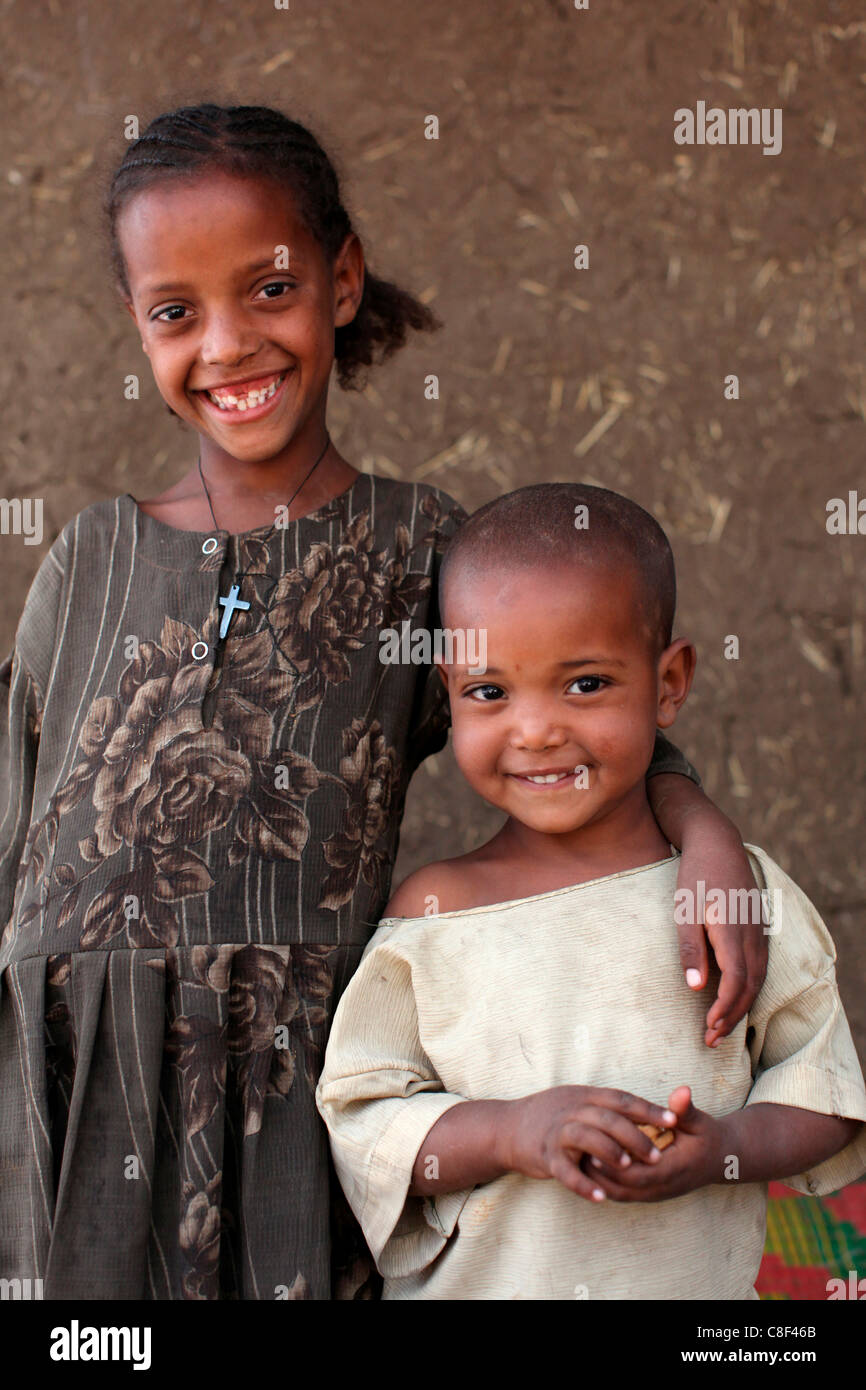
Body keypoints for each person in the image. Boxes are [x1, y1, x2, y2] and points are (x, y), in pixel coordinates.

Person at [0, 104, 759, 1301]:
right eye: (175, 312)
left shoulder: (421, 548)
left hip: (285, 1096)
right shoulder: (85, 561)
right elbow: (17, 825)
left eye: (268, 289)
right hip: (69, 1094)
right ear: (137, 328)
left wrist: (706, 836)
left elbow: (573, 736)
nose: (227, 344)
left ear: (340, 280)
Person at [316, 483, 866, 1301]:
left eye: (584, 685)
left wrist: (720, 1149)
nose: (535, 730)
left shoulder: (729, 896)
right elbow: (364, 1117)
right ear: (448, 691)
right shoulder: (435, 913)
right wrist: (511, 1132)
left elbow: (825, 1094)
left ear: (669, 681)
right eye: (490, 692)